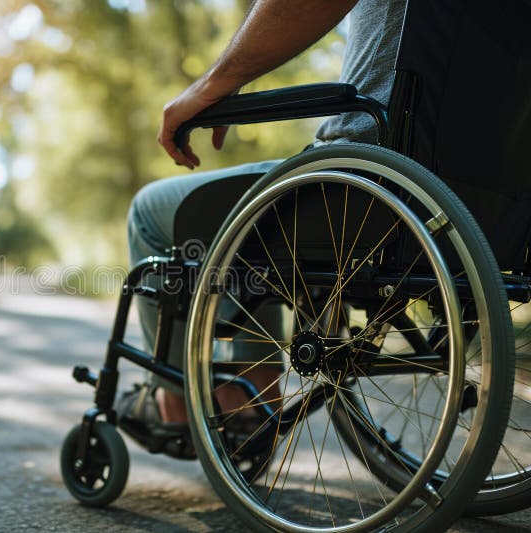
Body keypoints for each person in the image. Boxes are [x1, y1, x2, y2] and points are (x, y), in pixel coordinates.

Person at [117, 0, 408, 458]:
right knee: (260, 220)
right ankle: (251, 394)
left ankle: (177, 401)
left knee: (150, 211)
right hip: (474, 199)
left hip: (363, 180)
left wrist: (216, 84)